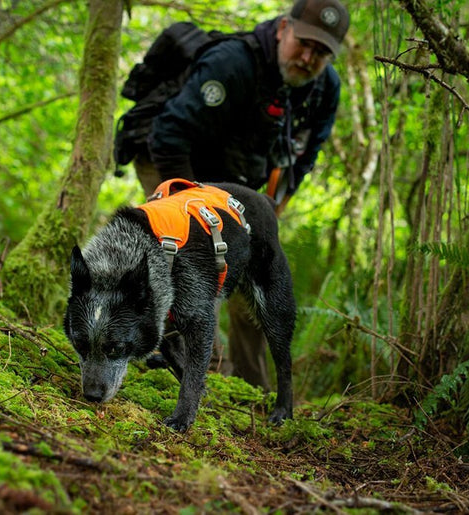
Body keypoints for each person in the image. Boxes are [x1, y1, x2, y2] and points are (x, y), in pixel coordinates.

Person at [131, 0, 350, 390]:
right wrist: (188, 209)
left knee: (255, 273)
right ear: (284, 28)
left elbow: (306, 154)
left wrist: (274, 204)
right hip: (173, 157)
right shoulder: (233, 63)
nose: (307, 57)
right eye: (303, 43)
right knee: (192, 267)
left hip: (237, 179)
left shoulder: (325, 89)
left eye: (321, 52)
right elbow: (167, 135)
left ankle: (249, 389)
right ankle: (189, 372)